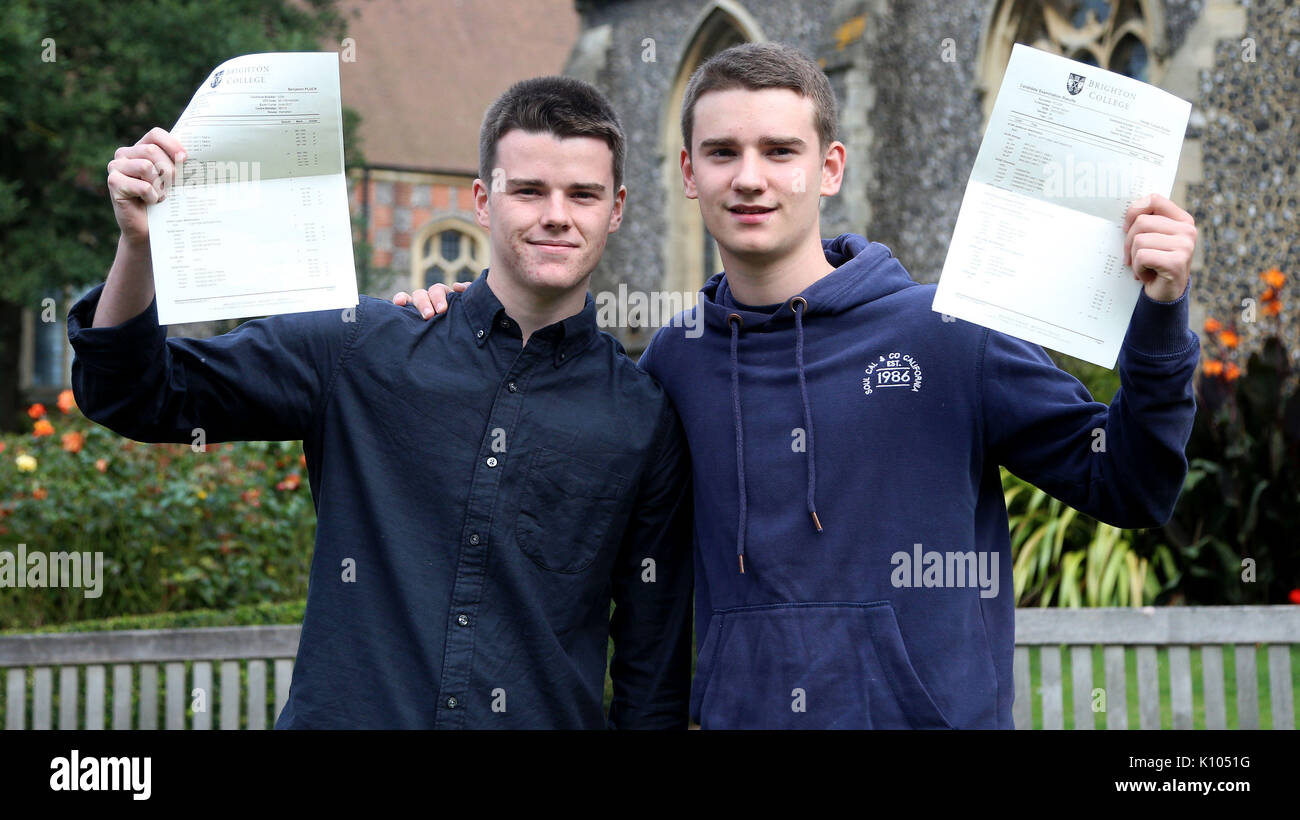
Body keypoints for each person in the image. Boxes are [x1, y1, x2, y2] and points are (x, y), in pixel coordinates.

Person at [399, 43, 1200, 729]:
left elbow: (1128, 486)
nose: (750, 178)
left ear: (829, 168)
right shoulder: (672, 364)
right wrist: (456, 322)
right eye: (722, 153)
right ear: (687, 172)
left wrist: (1161, 316)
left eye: (780, 151)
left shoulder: (948, 331)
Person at [69, 76, 694, 729]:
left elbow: (652, 679)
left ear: (616, 209)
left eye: (583, 195)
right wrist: (139, 244)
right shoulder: (360, 348)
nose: (557, 215)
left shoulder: (642, 420)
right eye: (529, 190)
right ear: (483, 200)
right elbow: (131, 394)